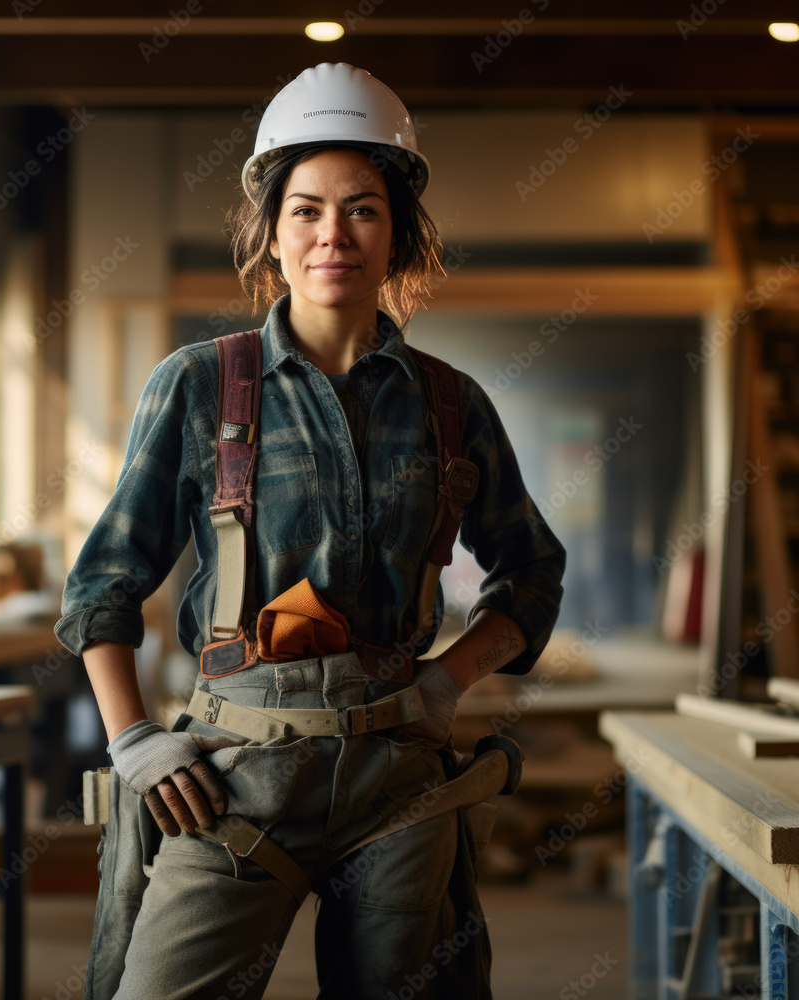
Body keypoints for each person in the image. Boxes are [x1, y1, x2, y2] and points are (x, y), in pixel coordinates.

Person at [55, 62, 565, 1000]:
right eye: (307, 209)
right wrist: (131, 738)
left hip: (399, 780)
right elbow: (102, 587)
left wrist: (452, 678)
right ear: (271, 234)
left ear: (398, 233)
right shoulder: (201, 385)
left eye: (363, 209)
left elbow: (532, 571)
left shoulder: (452, 405)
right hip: (231, 781)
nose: (335, 233)